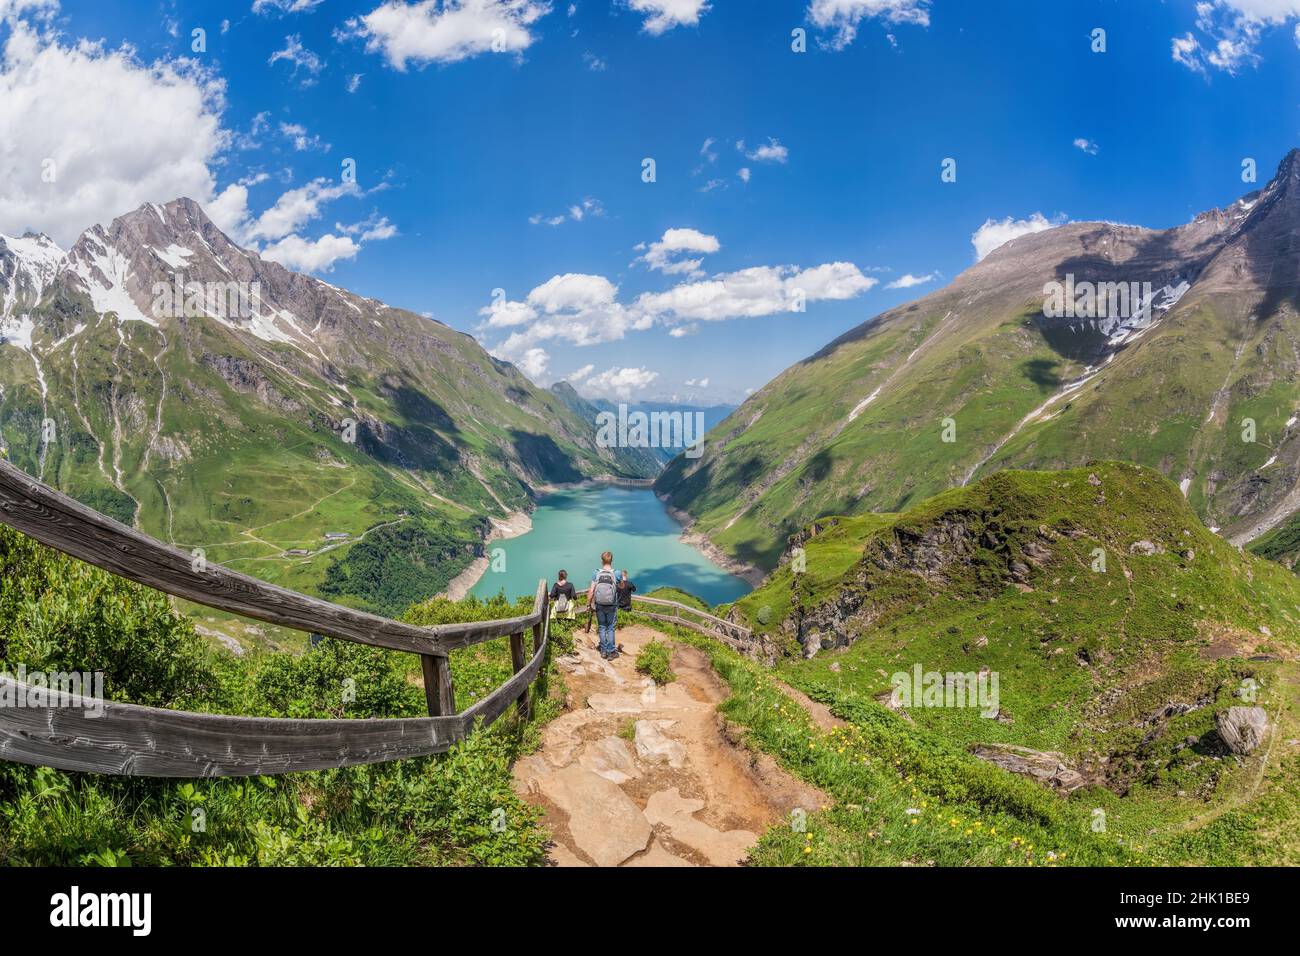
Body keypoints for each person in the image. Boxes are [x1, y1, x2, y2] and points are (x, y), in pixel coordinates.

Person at [587, 551, 620, 660]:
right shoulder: (617, 573)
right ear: (611, 560)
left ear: (602, 560)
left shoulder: (596, 573)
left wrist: (588, 604)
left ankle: (603, 651)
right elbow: (622, 586)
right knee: (610, 627)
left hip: (599, 604)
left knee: (602, 627)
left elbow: (591, 590)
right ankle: (611, 652)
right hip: (612, 604)